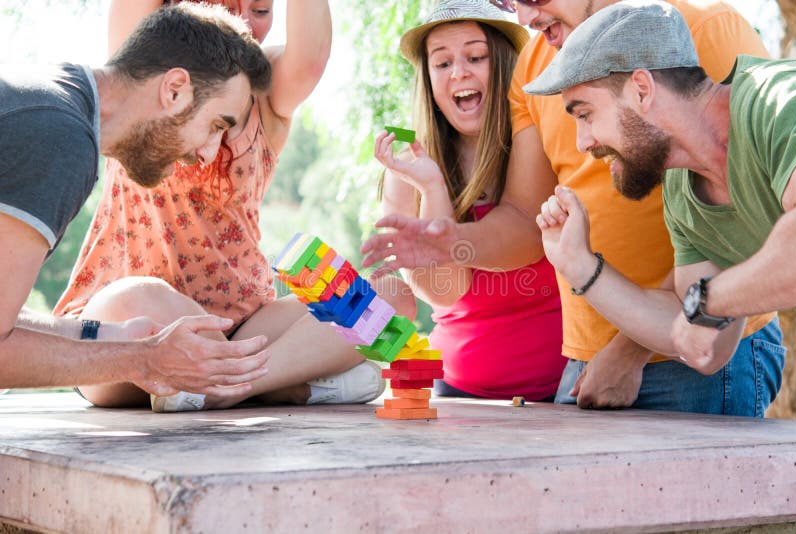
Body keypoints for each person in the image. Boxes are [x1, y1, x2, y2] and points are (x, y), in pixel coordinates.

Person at [361, 0, 779, 415]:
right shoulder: (535, 65)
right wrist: (454, 241)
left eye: (531, 0)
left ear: (642, 87)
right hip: (586, 359)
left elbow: (748, 224)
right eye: (508, 3)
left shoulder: (707, 33)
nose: (522, 17)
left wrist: (631, 350)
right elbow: (525, 220)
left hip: (670, 361)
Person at [55, 0, 407, 412]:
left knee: (389, 297)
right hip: (132, 325)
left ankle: (229, 385)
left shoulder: (266, 95)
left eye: (260, 9)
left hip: (243, 324)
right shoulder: (148, 75)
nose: (241, 21)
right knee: (140, 297)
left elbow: (311, 57)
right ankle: (282, 385)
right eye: (223, 5)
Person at [1, 3, 272, 399]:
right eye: (216, 126)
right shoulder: (62, 139)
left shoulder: (55, 101)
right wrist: (143, 360)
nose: (211, 153)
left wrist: (114, 338)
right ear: (174, 89)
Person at [530, 0, 794, 402]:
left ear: (641, 89)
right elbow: (706, 345)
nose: (583, 144)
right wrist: (579, 266)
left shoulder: (776, 101)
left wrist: (711, 300)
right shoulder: (685, 191)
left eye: (585, 115)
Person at [374, 0, 564, 400]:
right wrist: (433, 189)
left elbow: (527, 240)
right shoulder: (406, 161)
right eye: (442, 64)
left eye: (475, 57)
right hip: (458, 395)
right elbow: (443, 290)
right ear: (427, 78)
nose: (459, 72)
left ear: (504, 62)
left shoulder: (546, 135)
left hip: (563, 393)